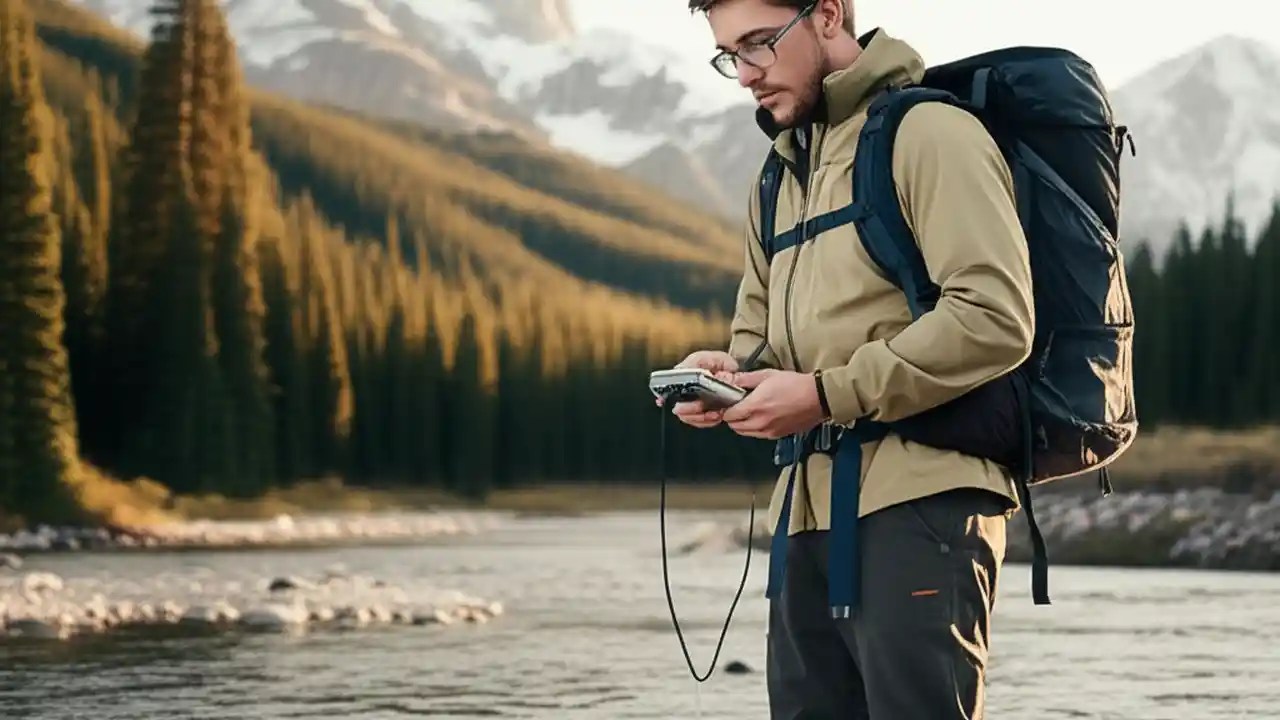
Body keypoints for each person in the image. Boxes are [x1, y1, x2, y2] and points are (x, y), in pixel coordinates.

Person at [669, 0, 1036, 717]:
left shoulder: (930, 134)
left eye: (759, 45)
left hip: (921, 505)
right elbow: (761, 340)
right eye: (729, 55)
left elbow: (995, 315)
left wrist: (828, 394)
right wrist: (727, 376)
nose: (745, 75)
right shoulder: (777, 176)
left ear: (829, 14)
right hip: (802, 519)